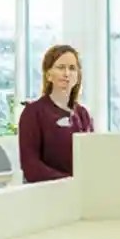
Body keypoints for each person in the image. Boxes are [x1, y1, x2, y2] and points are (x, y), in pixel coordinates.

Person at [18, 44, 94, 183]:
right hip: (48, 195)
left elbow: (92, 159)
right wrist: (69, 182)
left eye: (72, 68)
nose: (66, 74)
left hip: (81, 193)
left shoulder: (83, 115)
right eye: (60, 67)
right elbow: (31, 166)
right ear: (48, 75)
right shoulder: (33, 113)